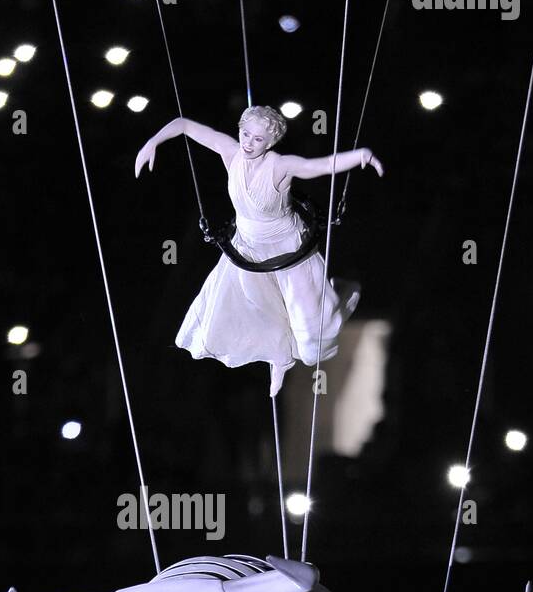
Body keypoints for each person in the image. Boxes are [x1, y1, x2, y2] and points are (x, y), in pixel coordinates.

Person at [135, 105, 383, 395]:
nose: (248, 143)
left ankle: (342, 292)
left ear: (271, 142)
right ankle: (279, 360)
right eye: (245, 134)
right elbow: (184, 124)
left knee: (312, 341)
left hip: (287, 250)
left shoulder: (280, 166)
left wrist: (361, 155)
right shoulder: (231, 152)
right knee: (258, 313)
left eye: (258, 139)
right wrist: (152, 142)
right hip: (248, 249)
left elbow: (321, 165)